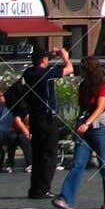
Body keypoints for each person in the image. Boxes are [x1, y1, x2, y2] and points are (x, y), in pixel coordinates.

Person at [52, 56, 105, 209]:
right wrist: (79, 125)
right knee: (77, 163)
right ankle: (65, 198)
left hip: (101, 128)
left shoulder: (102, 87)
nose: (81, 71)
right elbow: (83, 109)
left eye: (83, 68)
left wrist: (87, 123)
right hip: (85, 129)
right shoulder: (83, 86)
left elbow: (101, 107)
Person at [22, 46, 73, 199]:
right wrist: (65, 57)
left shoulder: (29, 73)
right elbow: (69, 69)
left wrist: (49, 54)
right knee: (49, 154)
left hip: (35, 118)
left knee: (37, 154)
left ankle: (35, 188)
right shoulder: (45, 74)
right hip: (47, 118)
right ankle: (44, 188)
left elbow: (41, 63)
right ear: (43, 60)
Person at [0, 87, 33, 174]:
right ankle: (7, 164)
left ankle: (29, 163)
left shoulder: (13, 106)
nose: (0, 97)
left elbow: (19, 120)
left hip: (9, 130)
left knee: (18, 137)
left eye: (2, 96)